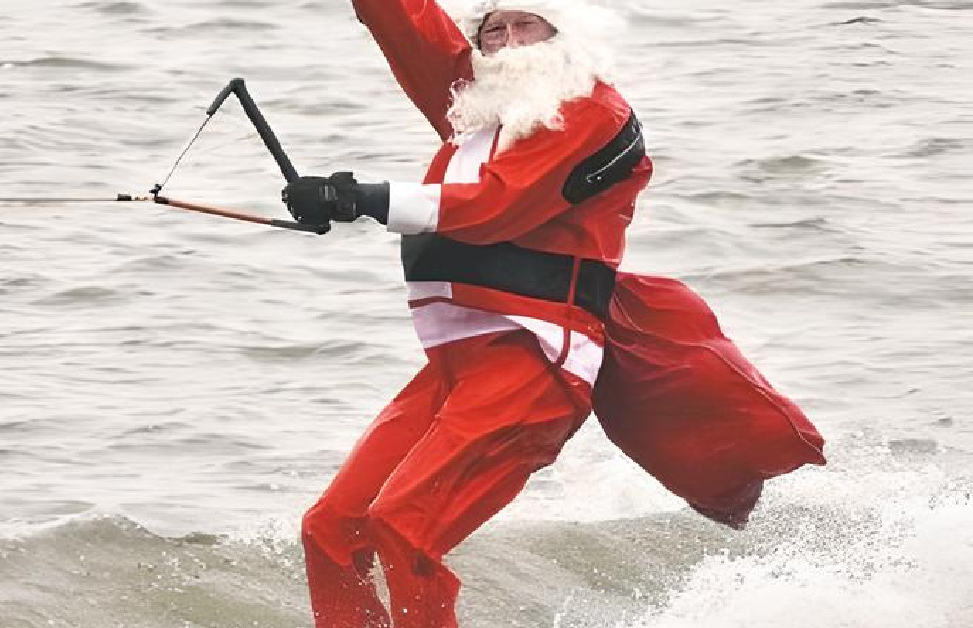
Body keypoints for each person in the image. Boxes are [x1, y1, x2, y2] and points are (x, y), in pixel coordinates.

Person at [282, 1, 825, 627]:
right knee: (331, 528)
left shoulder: (593, 112)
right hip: (453, 367)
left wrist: (365, 198)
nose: (509, 42)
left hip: (534, 367)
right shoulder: (477, 106)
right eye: (494, 31)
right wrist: (338, 199)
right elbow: (407, 24)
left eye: (526, 25)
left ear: (564, 34)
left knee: (403, 527)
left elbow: (497, 206)